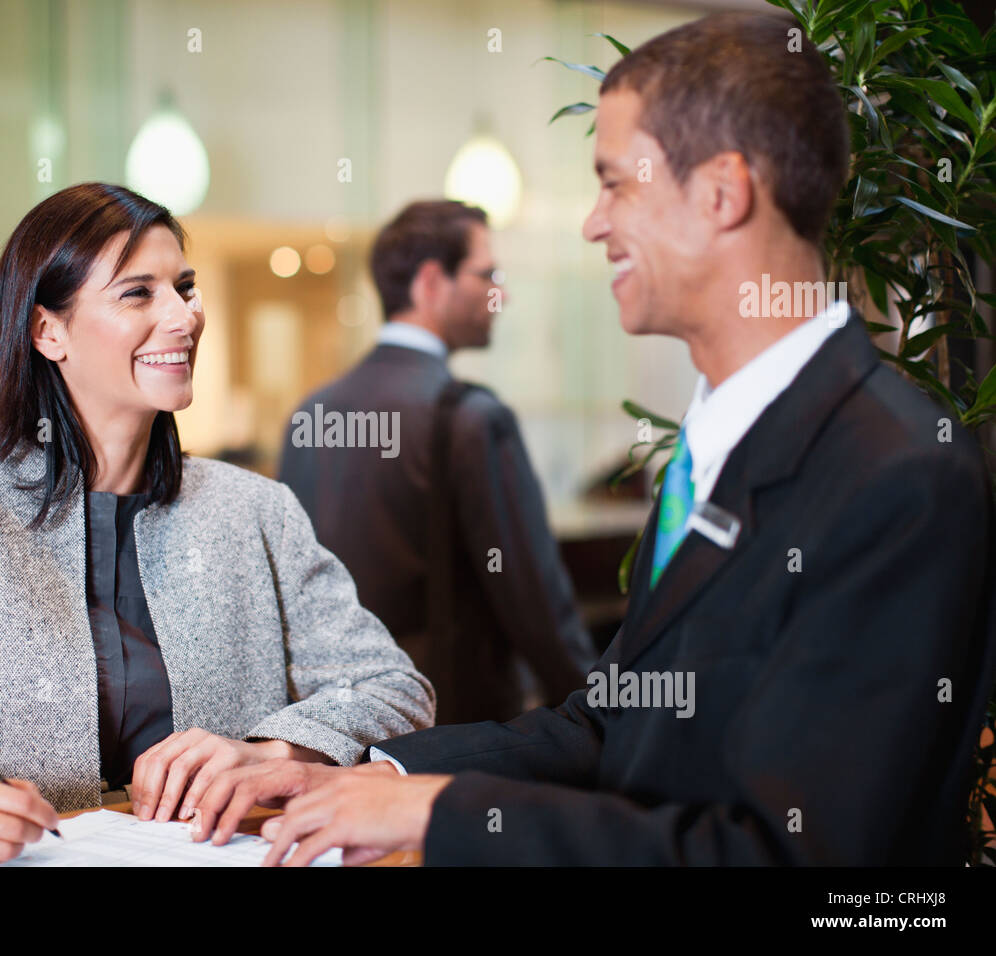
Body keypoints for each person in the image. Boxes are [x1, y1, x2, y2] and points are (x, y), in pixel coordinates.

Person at [187, 12, 996, 866]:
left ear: (722, 192)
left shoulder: (896, 474)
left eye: (616, 184)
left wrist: (445, 818)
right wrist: (367, 769)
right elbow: (607, 723)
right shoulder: (713, 444)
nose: (593, 224)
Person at [0, 182, 434, 866]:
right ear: (46, 331)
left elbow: (396, 689)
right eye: (138, 292)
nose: (184, 317)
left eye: (184, 286)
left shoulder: (253, 510)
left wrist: (271, 751)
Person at [278, 200, 595, 725]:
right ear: (431, 282)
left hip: (335, 725)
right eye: (487, 274)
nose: (501, 293)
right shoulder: (469, 416)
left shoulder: (310, 413)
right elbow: (534, 600)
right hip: (451, 723)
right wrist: (600, 714)